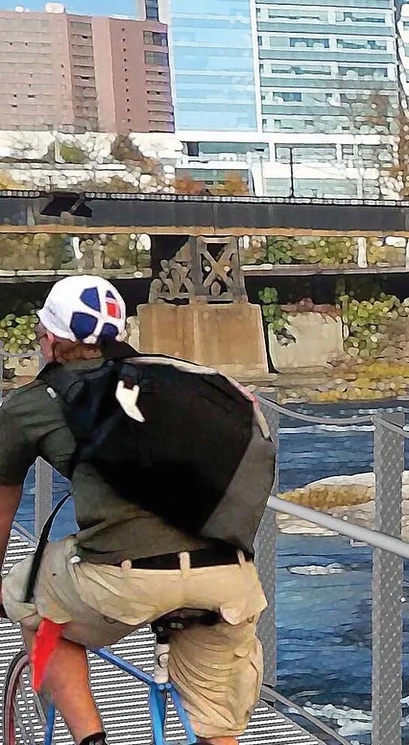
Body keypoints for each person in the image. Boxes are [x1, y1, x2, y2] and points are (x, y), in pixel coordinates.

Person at [0, 276, 270, 745]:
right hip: (228, 576)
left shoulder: (32, 404)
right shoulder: (178, 381)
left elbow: (2, 509)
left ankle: (90, 738)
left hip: (124, 579)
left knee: (28, 597)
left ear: (53, 341)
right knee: (217, 729)